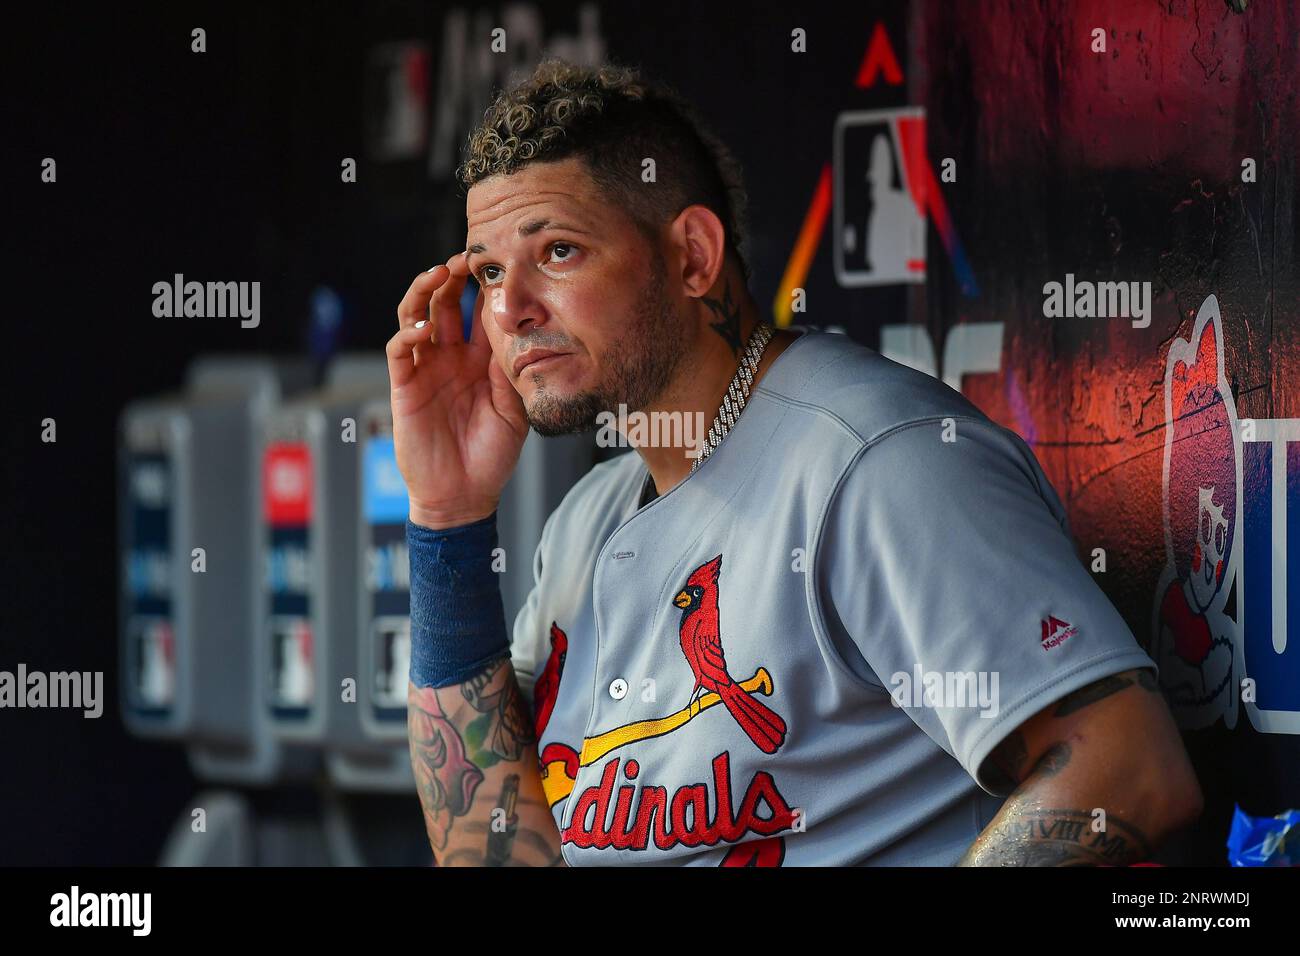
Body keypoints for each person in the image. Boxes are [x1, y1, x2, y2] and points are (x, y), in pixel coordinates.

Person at [386, 58, 1202, 867]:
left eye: (557, 252)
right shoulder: (589, 520)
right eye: (489, 271)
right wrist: (447, 522)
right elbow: (492, 852)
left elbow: (1124, 770)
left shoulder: (877, 464)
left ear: (693, 257)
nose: (507, 309)